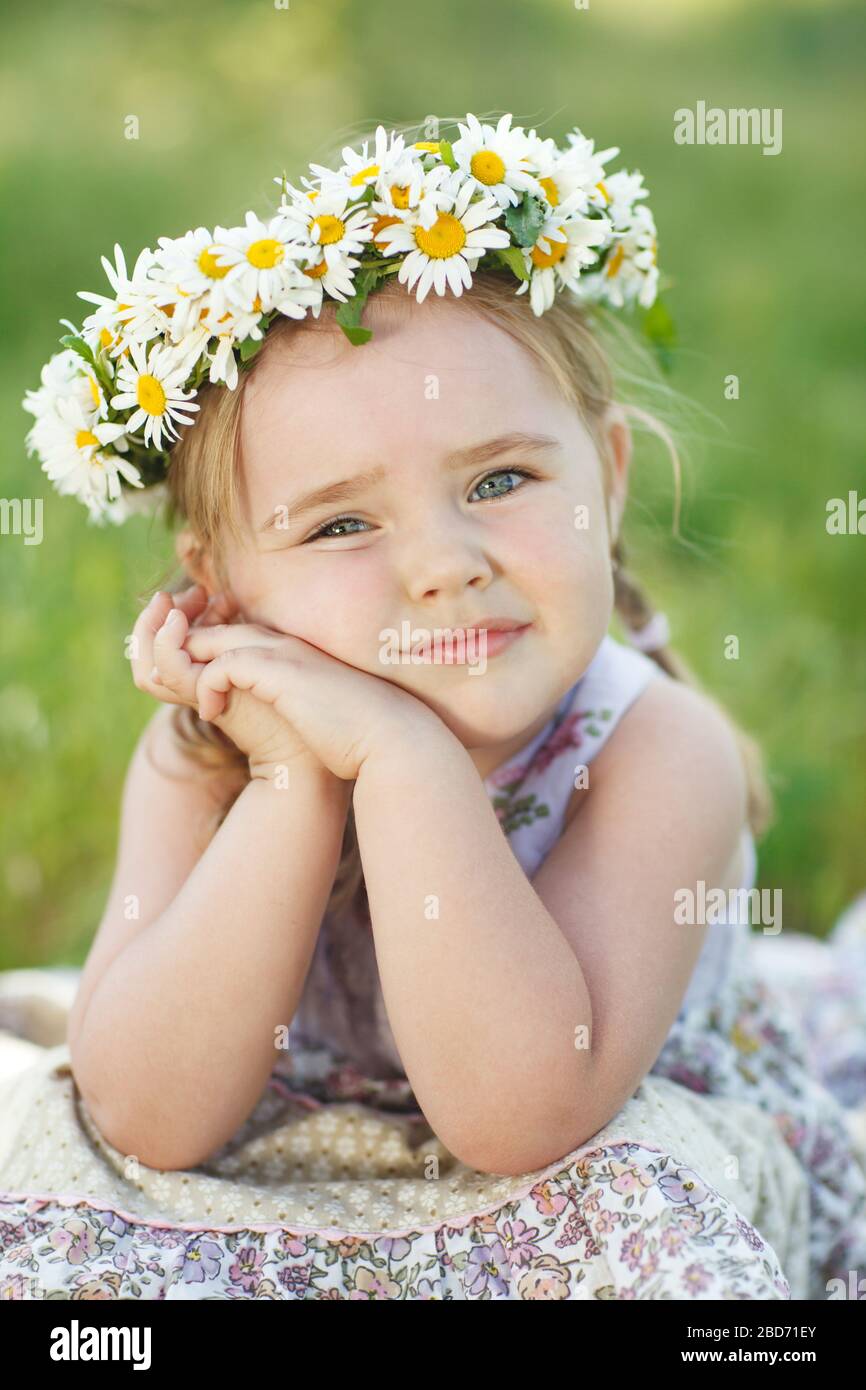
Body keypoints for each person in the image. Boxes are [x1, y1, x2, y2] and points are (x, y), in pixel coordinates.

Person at [2, 115, 864, 1301]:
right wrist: (292, 780)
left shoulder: (656, 753)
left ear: (604, 481)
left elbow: (521, 1113)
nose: (445, 564)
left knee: (652, 1237)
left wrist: (403, 761)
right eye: (342, 523)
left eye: (499, 480)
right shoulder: (203, 759)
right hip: (319, 1157)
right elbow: (145, 1113)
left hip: (583, 1150)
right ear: (220, 586)